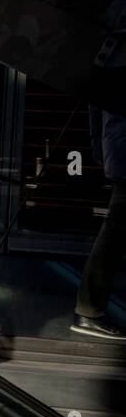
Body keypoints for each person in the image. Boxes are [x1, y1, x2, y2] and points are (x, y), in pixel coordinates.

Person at [73, 107, 126, 340]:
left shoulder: (110, 69)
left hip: (118, 148)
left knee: (115, 231)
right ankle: (89, 311)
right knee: (114, 232)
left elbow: (95, 104)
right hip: (123, 150)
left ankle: (89, 310)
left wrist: (98, 145)